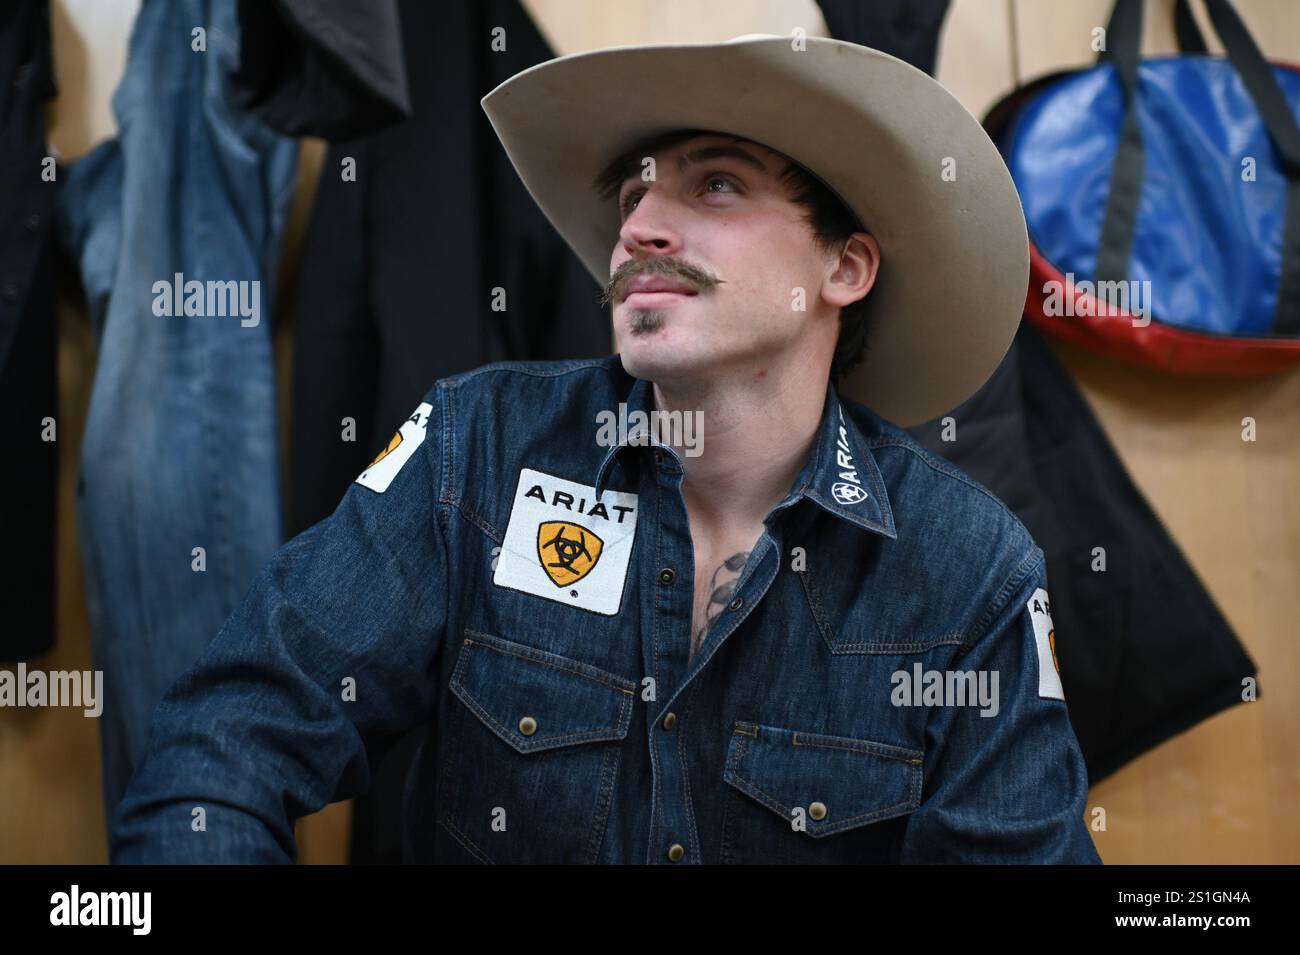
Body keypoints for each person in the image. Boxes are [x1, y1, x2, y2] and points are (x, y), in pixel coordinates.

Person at [112, 33, 1101, 863]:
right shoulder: (479, 449)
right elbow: (233, 735)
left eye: (714, 184)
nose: (640, 230)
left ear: (843, 267)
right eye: (632, 195)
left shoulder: (967, 570)